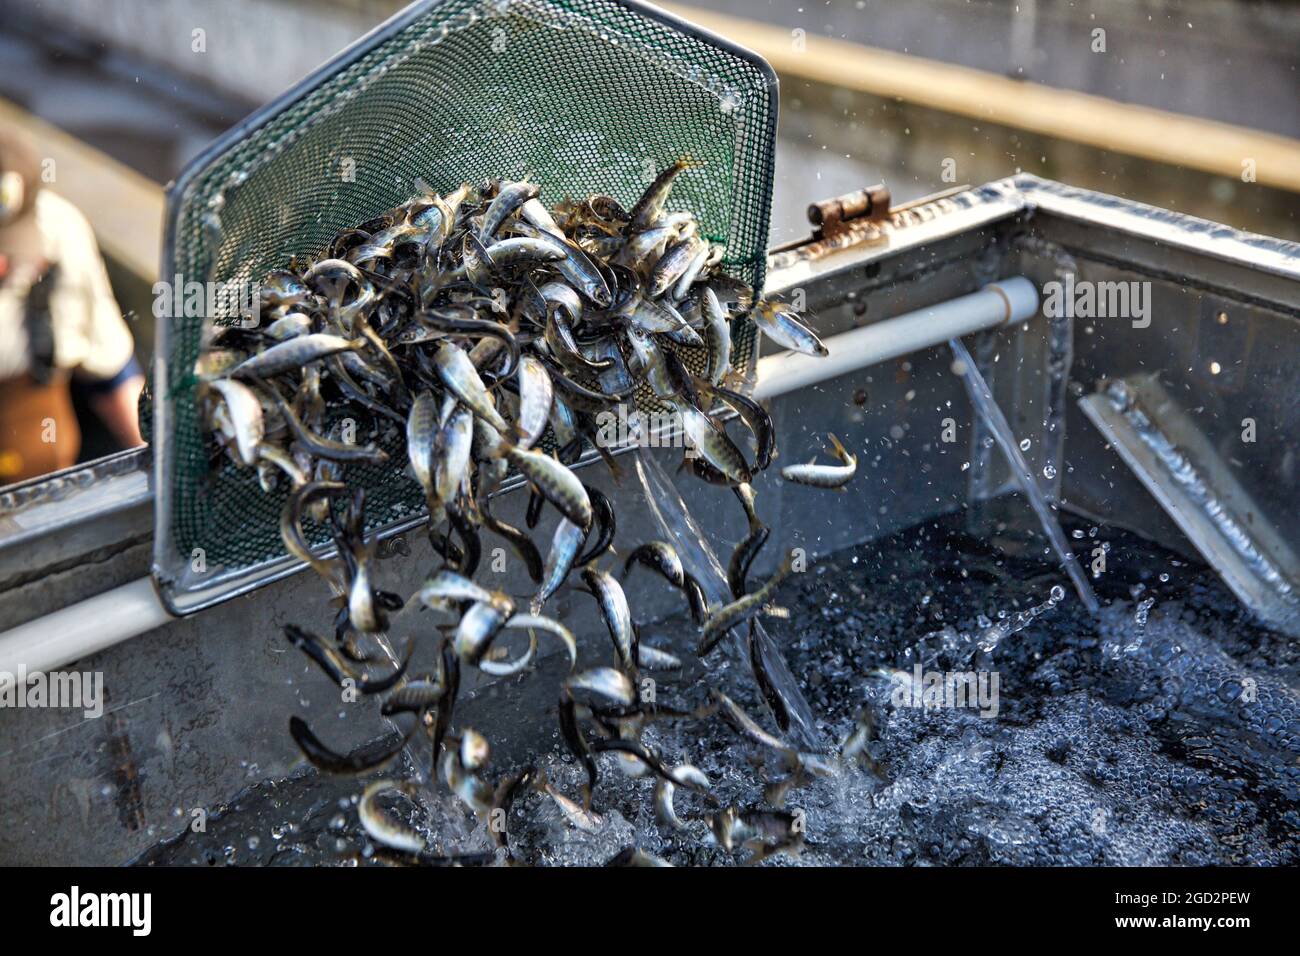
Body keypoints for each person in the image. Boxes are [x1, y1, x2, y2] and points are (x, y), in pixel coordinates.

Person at [0, 129, 144, 483]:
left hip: (41, 475)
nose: (4, 265)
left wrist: (156, 453)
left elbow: (110, 370)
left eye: (8, 247)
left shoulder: (59, 232)